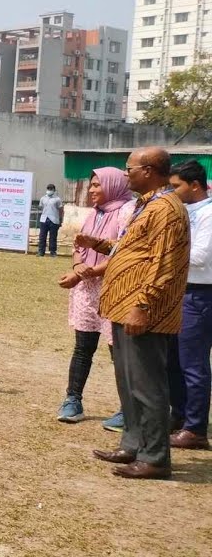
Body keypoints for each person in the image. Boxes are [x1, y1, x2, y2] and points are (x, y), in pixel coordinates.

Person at [79, 148, 189, 480]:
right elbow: (131, 249)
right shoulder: (146, 205)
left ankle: (154, 457)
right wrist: (98, 245)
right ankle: (134, 443)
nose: (126, 174)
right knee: (128, 383)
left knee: (147, 385)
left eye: (130, 169)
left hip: (144, 311)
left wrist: (143, 305)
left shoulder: (166, 210)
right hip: (123, 306)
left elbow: (164, 263)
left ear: (150, 170)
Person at [54, 167, 131, 425]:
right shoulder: (93, 214)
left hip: (114, 288)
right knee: (83, 348)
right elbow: (78, 246)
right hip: (86, 290)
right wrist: (78, 267)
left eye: (97, 185)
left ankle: (127, 409)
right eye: (92, 185)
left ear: (113, 185)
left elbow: (123, 253)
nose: (92, 189)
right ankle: (72, 400)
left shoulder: (127, 212)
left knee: (118, 352)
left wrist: (84, 274)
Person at [168, 160, 212, 451]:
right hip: (182, 292)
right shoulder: (187, 211)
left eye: (176, 187)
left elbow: (199, 257)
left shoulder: (208, 214)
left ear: (195, 185)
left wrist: (164, 254)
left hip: (200, 293)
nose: (172, 192)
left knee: (193, 364)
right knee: (174, 361)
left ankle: (195, 429)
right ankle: (180, 416)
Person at [38, 183, 65, 257]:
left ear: (54, 190)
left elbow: (61, 210)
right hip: (44, 219)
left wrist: (61, 219)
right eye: (48, 189)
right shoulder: (43, 198)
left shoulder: (57, 199)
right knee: (42, 236)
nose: (49, 190)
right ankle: (41, 251)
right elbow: (41, 207)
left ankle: (52, 252)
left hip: (54, 220)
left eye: (51, 189)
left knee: (53, 237)